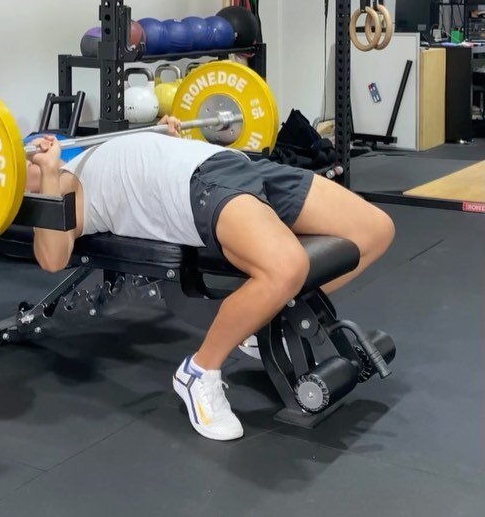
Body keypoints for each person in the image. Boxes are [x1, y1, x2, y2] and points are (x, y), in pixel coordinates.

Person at [27, 119, 394, 442]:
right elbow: (52, 258)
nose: (29, 160)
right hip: (201, 187)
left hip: (232, 163)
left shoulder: (85, 154)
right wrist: (48, 174)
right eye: (24, 163)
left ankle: (259, 318)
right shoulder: (63, 192)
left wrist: (165, 134)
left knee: (376, 229)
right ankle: (199, 371)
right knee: (287, 266)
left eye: (26, 155)